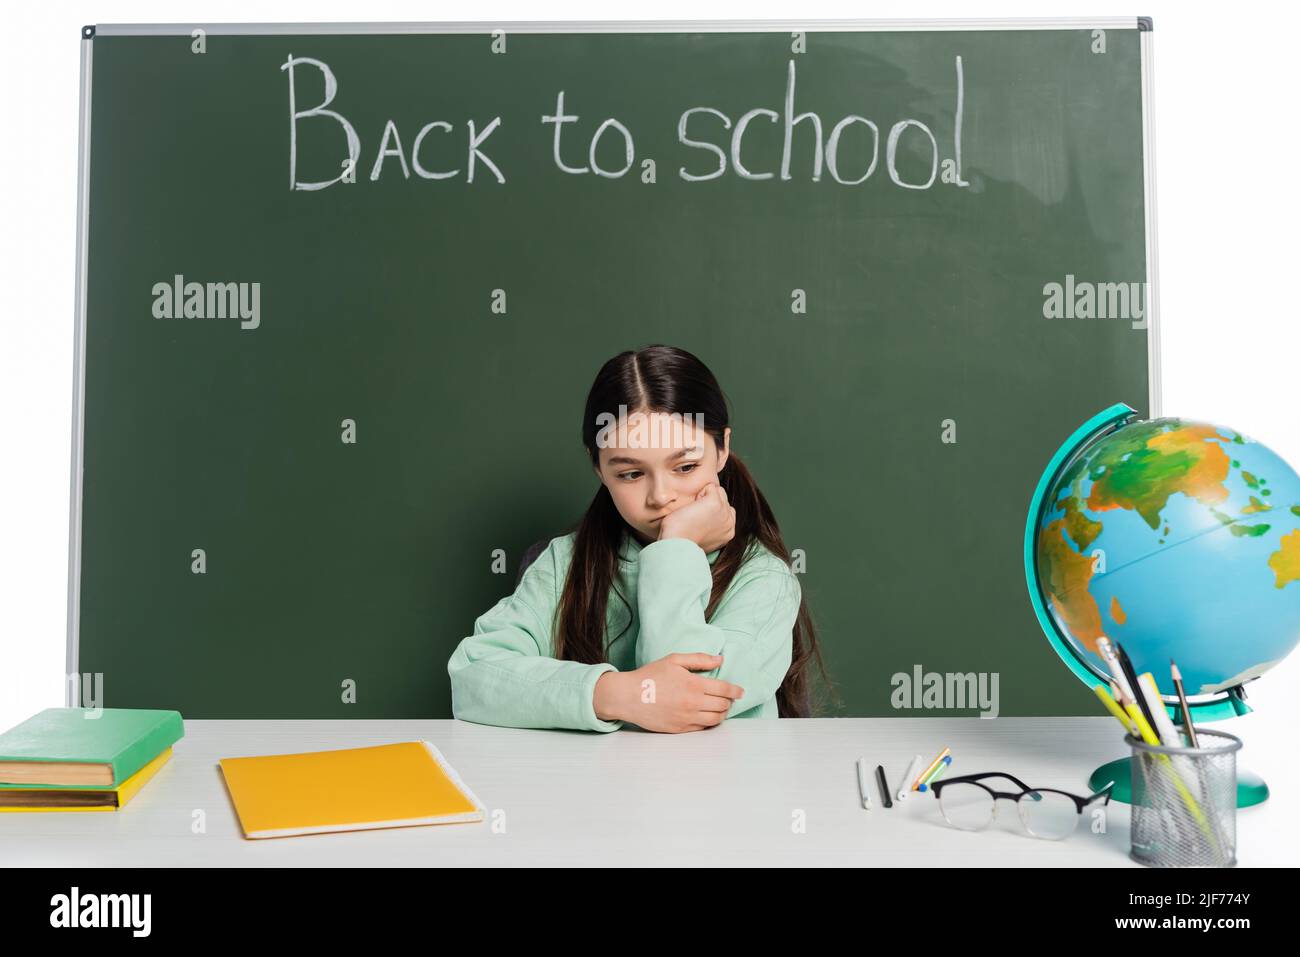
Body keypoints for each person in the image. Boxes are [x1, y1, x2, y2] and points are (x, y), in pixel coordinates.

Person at [447, 344, 828, 733]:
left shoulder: (764, 580)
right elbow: (472, 678)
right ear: (599, 469)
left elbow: (685, 705)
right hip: (586, 788)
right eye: (631, 474)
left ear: (722, 449)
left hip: (715, 789)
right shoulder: (565, 562)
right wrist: (616, 693)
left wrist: (675, 548)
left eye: (685, 466)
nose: (661, 496)